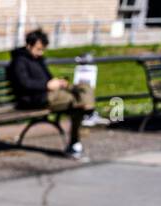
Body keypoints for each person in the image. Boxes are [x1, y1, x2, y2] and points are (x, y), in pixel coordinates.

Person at [7, 28, 95, 160]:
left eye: (43, 49)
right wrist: (46, 85)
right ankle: (89, 113)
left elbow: (48, 78)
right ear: (29, 45)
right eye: (38, 49)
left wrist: (58, 82)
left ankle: (84, 122)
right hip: (34, 99)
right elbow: (23, 84)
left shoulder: (38, 59)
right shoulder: (19, 61)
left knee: (83, 88)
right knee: (76, 102)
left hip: (48, 94)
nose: (40, 52)